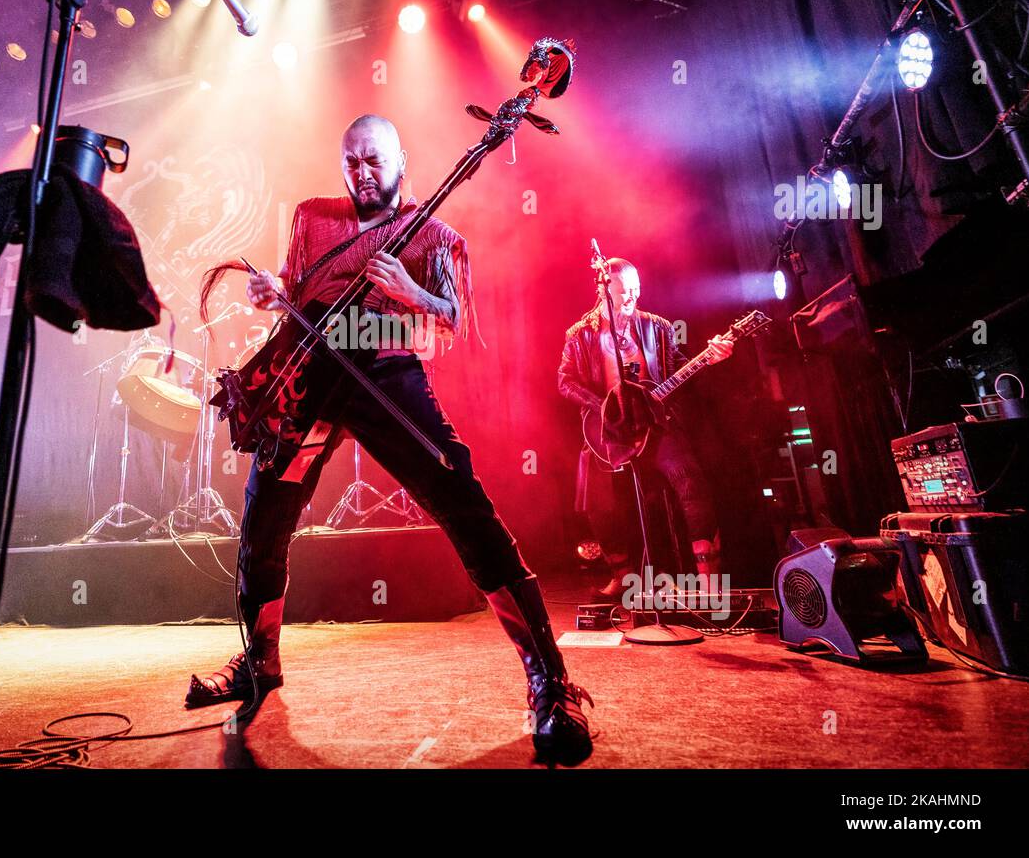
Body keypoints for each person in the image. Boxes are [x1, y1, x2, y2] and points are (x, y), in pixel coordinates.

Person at [187, 114, 592, 762]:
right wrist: (272, 295)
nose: (361, 172)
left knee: (461, 498)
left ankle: (551, 683)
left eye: (373, 160)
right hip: (310, 375)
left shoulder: (436, 235)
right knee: (265, 515)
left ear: (401, 158)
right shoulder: (311, 217)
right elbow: (296, 294)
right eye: (351, 161)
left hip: (384, 369)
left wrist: (412, 293)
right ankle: (259, 661)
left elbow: (454, 326)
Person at [558, 258, 731, 589]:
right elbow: (565, 382)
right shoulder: (580, 335)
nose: (631, 298)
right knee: (598, 500)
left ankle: (709, 580)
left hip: (656, 423)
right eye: (623, 291)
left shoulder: (658, 327)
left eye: (636, 290)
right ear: (603, 289)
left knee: (691, 483)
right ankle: (622, 577)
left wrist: (711, 358)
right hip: (607, 430)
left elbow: (680, 367)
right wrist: (605, 407)